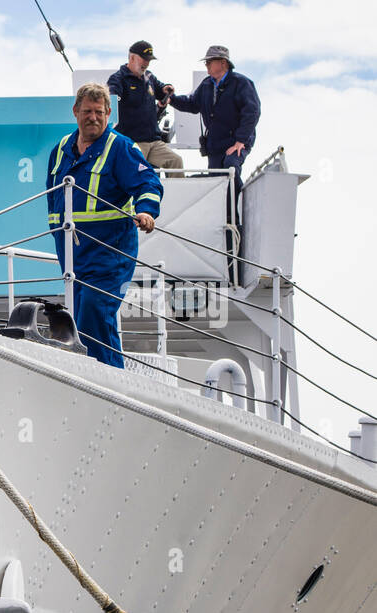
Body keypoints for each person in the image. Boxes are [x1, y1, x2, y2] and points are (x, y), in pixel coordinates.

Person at [47, 83, 163, 368]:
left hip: (110, 254)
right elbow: (53, 201)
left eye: (99, 112)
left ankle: (106, 379)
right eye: (87, 111)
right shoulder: (61, 150)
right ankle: (111, 376)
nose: (93, 118)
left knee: (95, 313)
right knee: (83, 320)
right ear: (76, 112)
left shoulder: (120, 147)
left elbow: (148, 182)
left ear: (108, 113)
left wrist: (146, 211)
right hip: (74, 257)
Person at [169, 45, 261, 193]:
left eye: (209, 62)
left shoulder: (241, 83)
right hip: (215, 144)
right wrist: (171, 100)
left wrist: (240, 141)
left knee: (231, 168)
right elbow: (192, 104)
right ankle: (222, 213)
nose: (206, 65)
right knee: (216, 179)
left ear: (223, 63)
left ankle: (234, 213)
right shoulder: (206, 84)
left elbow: (252, 112)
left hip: (235, 142)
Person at [107, 40, 182, 170]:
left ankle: (178, 191)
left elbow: (161, 88)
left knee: (175, 161)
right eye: (144, 59)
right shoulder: (118, 79)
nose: (146, 64)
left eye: (149, 60)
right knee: (138, 173)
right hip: (132, 142)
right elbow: (110, 100)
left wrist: (166, 88)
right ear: (132, 57)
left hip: (154, 141)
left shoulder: (149, 77)